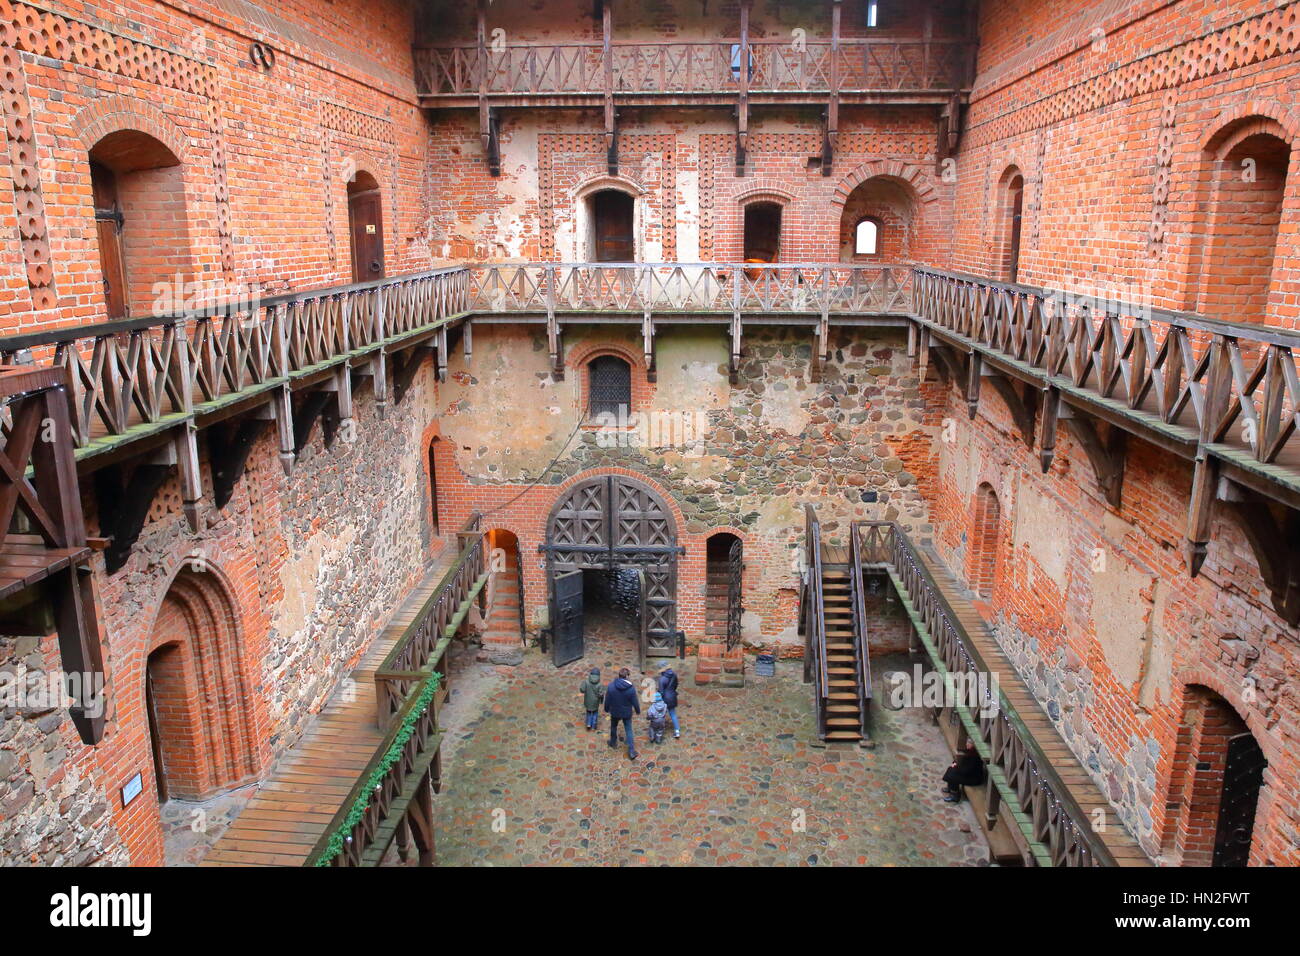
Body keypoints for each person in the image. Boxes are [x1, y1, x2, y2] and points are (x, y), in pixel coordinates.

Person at [604, 667, 640, 760]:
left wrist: (606, 708)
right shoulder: (631, 689)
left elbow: (607, 699)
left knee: (613, 726)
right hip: (626, 712)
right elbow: (634, 701)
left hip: (615, 711)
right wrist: (637, 710)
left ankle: (613, 742)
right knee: (628, 730)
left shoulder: (611, 686)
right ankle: (631, 751)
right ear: (627, 676)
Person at [657, 663, 680, 738]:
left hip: (665, 699)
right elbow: (676, 684)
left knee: (661, 715)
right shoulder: (674, 674)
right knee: (673, 714)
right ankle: (677, 731)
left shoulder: (662, 679)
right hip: (673, 696)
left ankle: (660, 731)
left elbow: (661, 691)